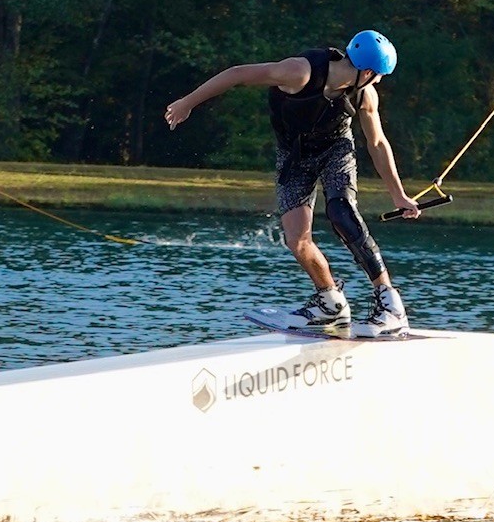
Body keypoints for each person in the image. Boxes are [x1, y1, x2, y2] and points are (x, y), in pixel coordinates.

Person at [165, 31, 420, 334]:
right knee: (296, 239)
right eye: (378, 77)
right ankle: (330, 303)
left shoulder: (365, 95)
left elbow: (377, 144)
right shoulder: (299, 72)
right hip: (294, 156)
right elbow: (237, 75)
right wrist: (187, 102)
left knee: (341, 211)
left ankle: (390, 304)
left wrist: (399, 195)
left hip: (335, 147)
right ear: (366, 72)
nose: (378, 83)